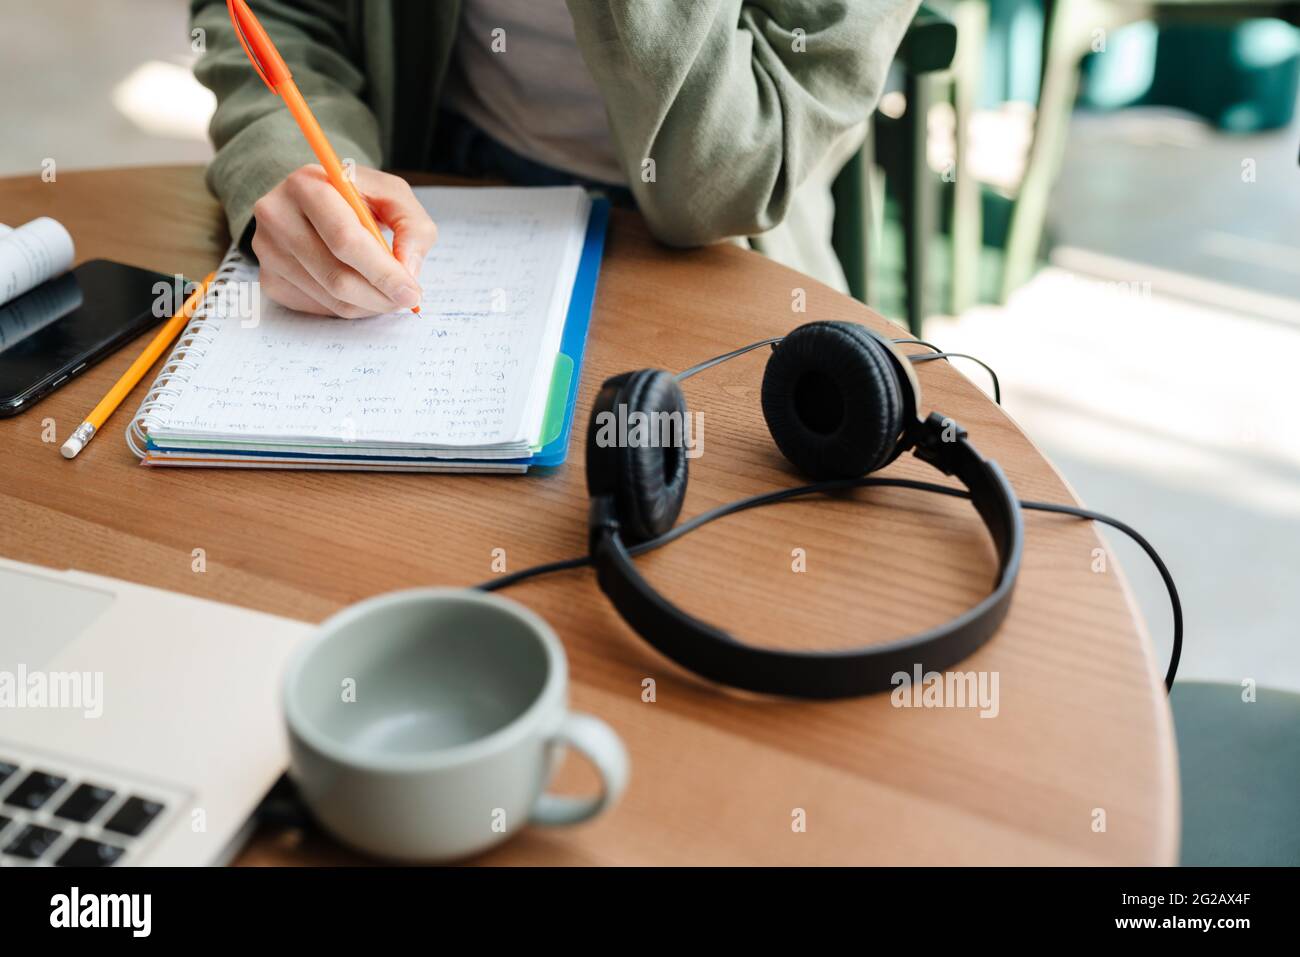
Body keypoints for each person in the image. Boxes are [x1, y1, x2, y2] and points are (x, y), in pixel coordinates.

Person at [192, 0, 919, 318]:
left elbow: (727, 178)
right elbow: (279, 15)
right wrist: (294, 158)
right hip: (425, 177)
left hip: (717, 254)